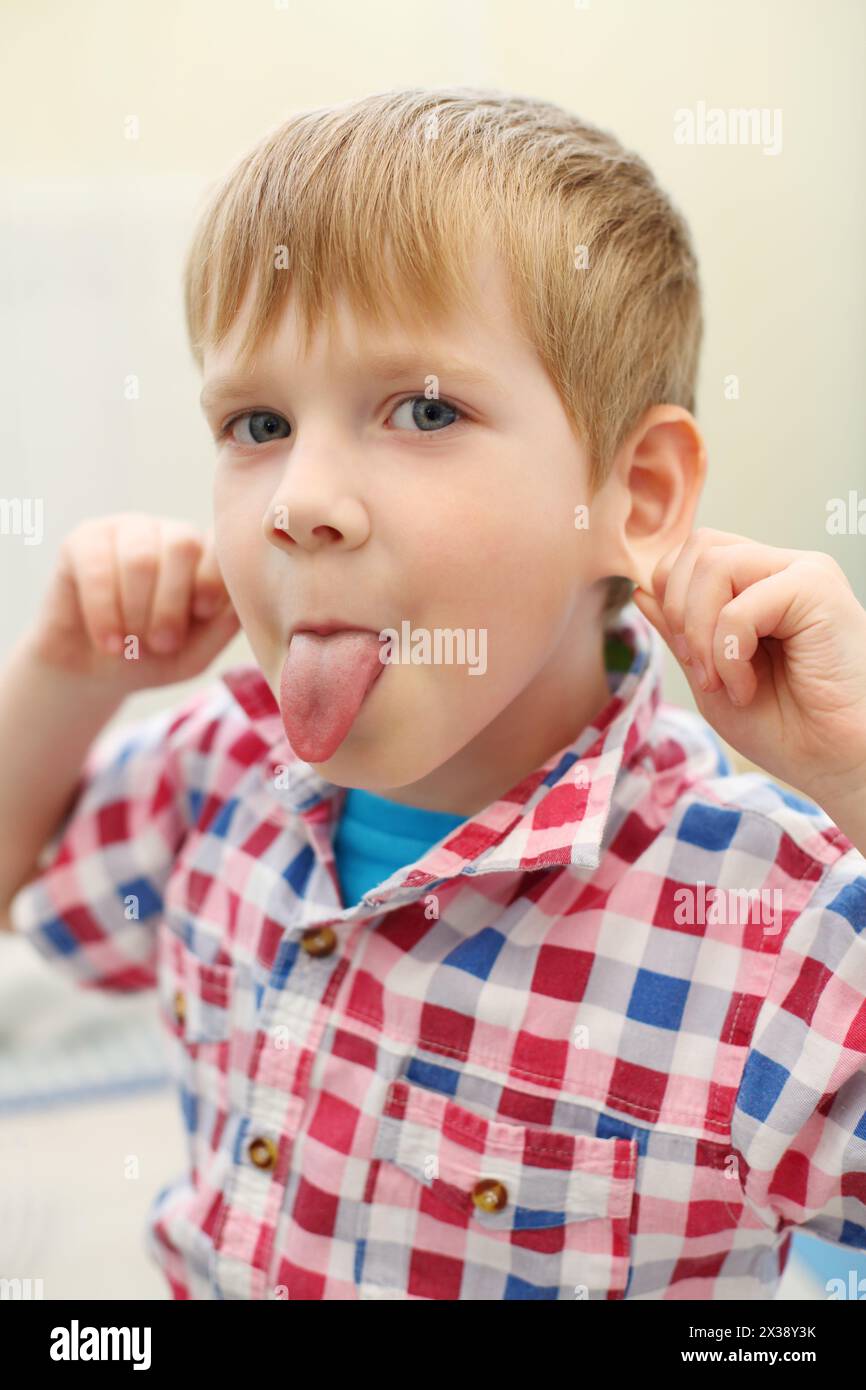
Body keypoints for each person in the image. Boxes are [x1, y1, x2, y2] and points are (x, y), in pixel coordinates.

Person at [3, 86, 865, 1300]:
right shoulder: (212, 769)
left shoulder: (764, 924)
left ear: (633, 497)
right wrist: (64, 675)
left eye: (422, 409)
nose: (300, 499)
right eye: (257, 422)